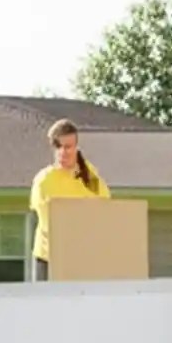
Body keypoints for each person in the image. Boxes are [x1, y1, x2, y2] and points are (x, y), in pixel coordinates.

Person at [29, 119, 112, 281]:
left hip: (84, 256)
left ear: (76, 147)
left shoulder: (90, 177)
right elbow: (47, 223)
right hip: (49, 257)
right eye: (59, 147)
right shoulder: (44, 181)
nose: (63, 152)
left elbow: (105, 211)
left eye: (68, 147)